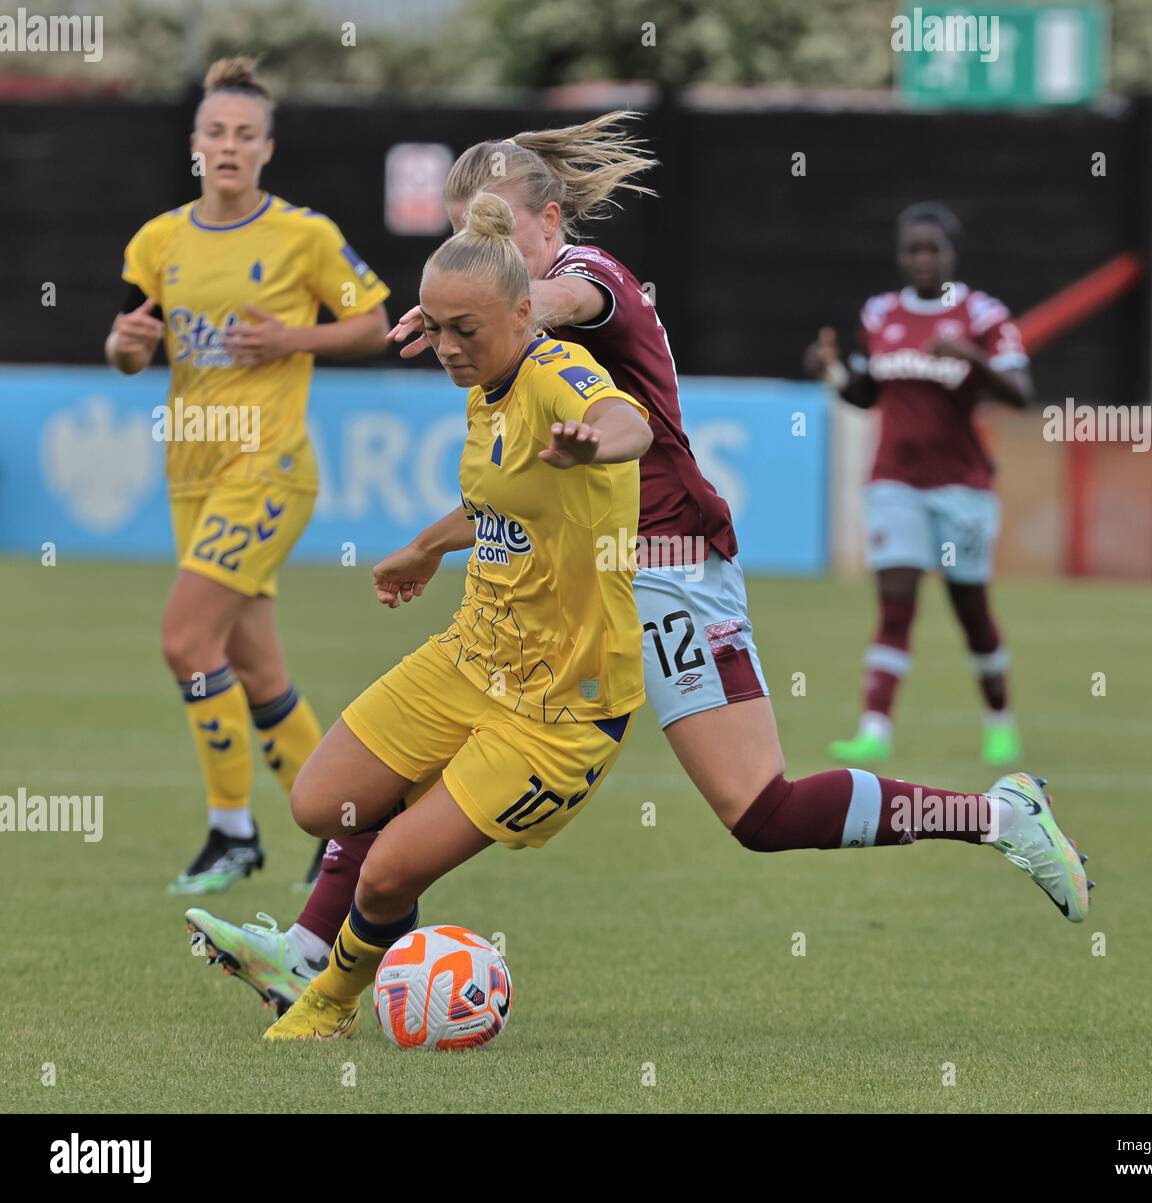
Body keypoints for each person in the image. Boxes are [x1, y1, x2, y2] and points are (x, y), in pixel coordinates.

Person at [187, 122, 1090, 1021]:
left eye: (496, 236)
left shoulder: (591, 281)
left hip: (665, 566)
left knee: (760, 811)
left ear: (549, 218)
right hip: (566, 581)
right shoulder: (500, 339)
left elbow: (566, 308)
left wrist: (484, 311)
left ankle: (1000, 816)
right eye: (464, 240)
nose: (482, 254)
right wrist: (433, 534)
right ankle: (311, 953)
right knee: (415, 759)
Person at [261, 190, 653, 1039]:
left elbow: (626, 423)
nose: (444, 348)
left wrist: (597, 439)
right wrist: (429, 546)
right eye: (434, 327)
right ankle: (378, 914)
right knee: (319, 803)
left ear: (522, 313)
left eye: (463, 330)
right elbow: (505, 503)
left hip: (563, 709)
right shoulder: (487, 381)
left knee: (386, 872)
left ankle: (327, 998)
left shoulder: (558, 377)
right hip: (471, 658)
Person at [107, 57, 390, 893]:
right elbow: (130, 345)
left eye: (244, 135)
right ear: (195, 147)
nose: (228, 146)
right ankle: (352, 832)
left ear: (267, 149)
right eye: (215, 133)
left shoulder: (303, 236)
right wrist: (124, 351)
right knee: (257, 669)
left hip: (269, 469)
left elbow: (373, 323)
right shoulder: (158, 241)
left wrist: (292, 340)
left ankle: (233, 832)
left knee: (184, 640)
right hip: (190, 474)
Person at [807, 202, 1033, 768]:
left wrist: (972, 358)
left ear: (952, 253)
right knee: (895, 604)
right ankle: (874, 728)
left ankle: (999, 721)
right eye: (913, 249)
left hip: (961, 485)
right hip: (894, 482)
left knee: (971, 610)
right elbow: (866, 393)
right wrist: (831, 372)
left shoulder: (982, 314)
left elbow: (1021, 393)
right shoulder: (881, 313)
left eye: (933, 249)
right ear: (901, 255)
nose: (923, 259)